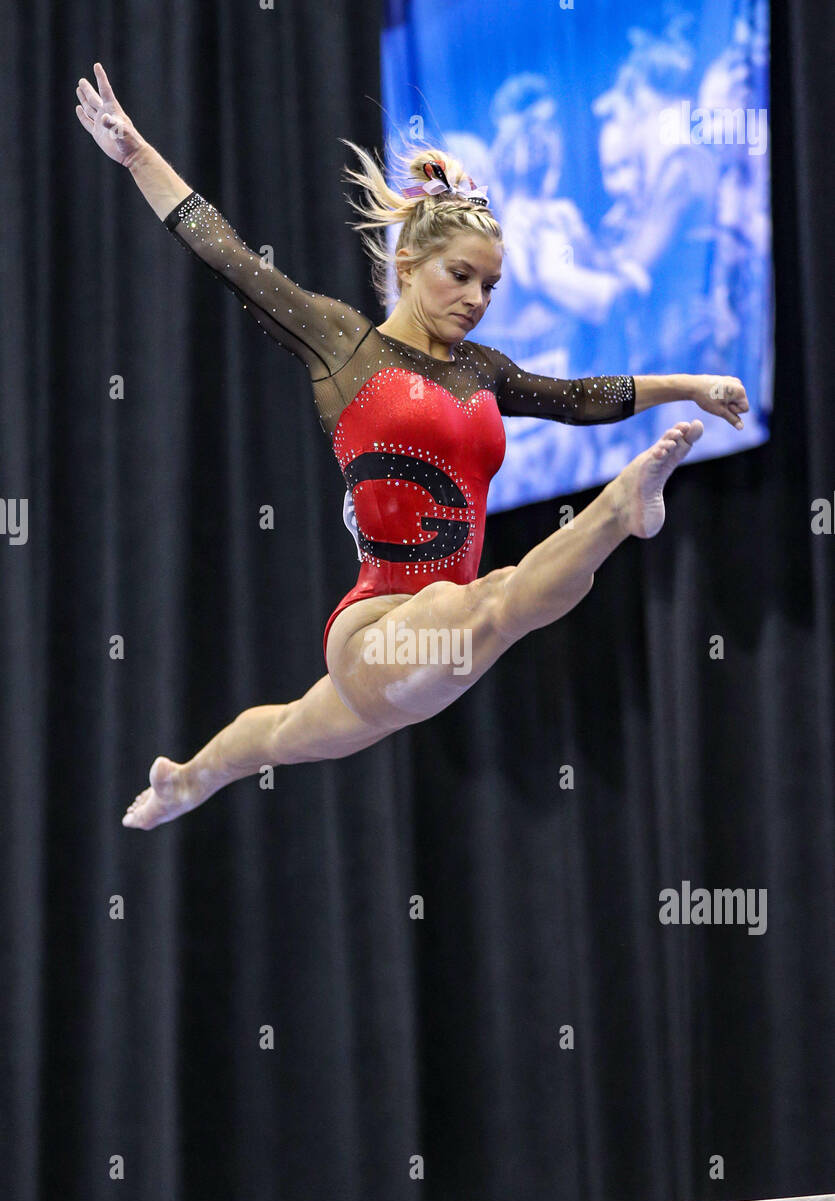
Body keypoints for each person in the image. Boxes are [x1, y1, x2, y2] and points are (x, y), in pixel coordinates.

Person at [74, 63, 749, 832]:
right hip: (375, 629)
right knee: (490, 603)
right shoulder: (344, 347)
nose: (475, 299)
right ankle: (621, 507)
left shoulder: (483, 370)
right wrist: (137, 157)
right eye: (459, 276)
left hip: (428, 643)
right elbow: (228, 256)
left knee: (289, 729)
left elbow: (577, 398)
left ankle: (186, 782)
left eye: (490, 286)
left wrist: (688, 382)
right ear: (406, 265)